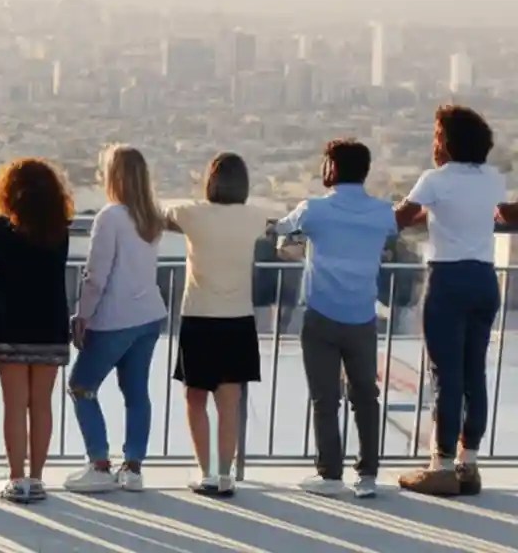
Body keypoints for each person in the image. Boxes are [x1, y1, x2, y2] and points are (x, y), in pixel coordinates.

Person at [273, 139, 396, 499]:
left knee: (325, 398)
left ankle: (329, 474)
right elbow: (398, 228)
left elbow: (280, 228)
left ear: (331, 169)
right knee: (366, 397)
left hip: (322, 315)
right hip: (362, 316)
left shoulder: (313, 210)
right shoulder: (382, 213)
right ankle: (368, 475)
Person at [396, 105, 506, 496]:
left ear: (445, 141)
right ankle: (468, 465)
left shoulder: (435, 180)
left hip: (447, 279)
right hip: (484, 279)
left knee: (447, 375)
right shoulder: (492, 178)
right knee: (475, 371)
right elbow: (503, 212)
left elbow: (400, 219)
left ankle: (439, 466)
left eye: (436, 135)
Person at [166, 152, 275, 497]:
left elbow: (159, 214)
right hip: (237, 319)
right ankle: (226, 475)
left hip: (199, 317)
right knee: (229, 402)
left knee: (194, 398)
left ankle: (207, 472)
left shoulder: (191, 214)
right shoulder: (255, 217)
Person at [64, 146, 168, 494]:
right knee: (136, 392)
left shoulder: (110, 217)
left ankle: (99, 464)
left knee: (81, 385)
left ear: (114, 176)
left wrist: (83, 315)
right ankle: (133, 468)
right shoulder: (151, 217)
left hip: (114, 319)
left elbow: (96, 275)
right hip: (149, 315)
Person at [0, 158, 73, 503]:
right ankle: (36, 478)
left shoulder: (4, 229)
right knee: (42, 405)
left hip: (11, 324)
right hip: (49, 324)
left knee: (14, 405)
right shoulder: (60, 230)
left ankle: (16, 478)